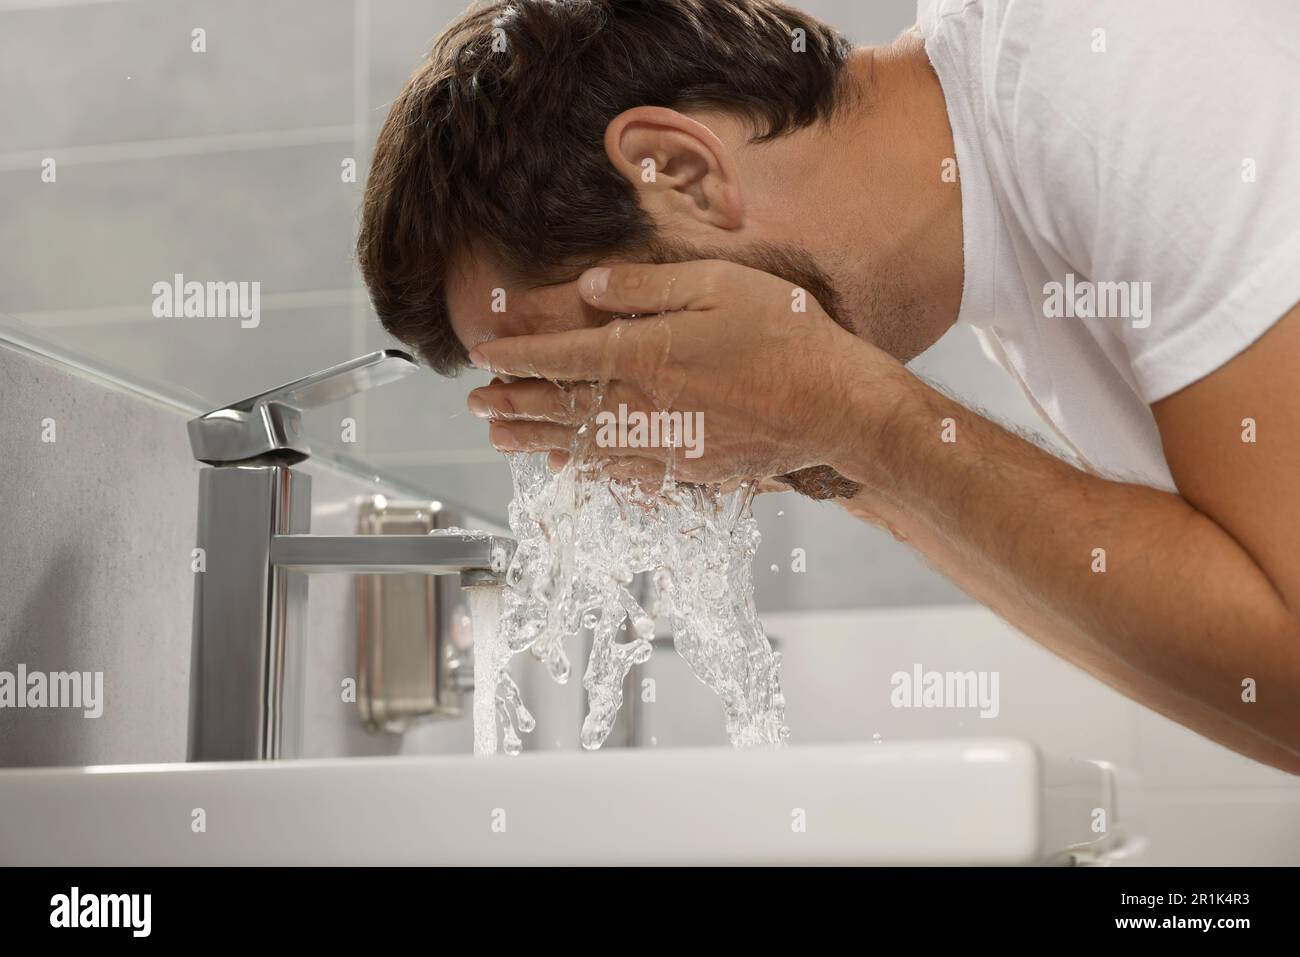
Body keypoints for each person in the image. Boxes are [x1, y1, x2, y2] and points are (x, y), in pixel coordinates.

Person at [356, 0, 1300, 772]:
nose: (639, 417)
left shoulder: (1110, 53)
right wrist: (841, 458)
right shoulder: (1012, 234)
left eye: (622, 355)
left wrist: (851, 415)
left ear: (680, 171)